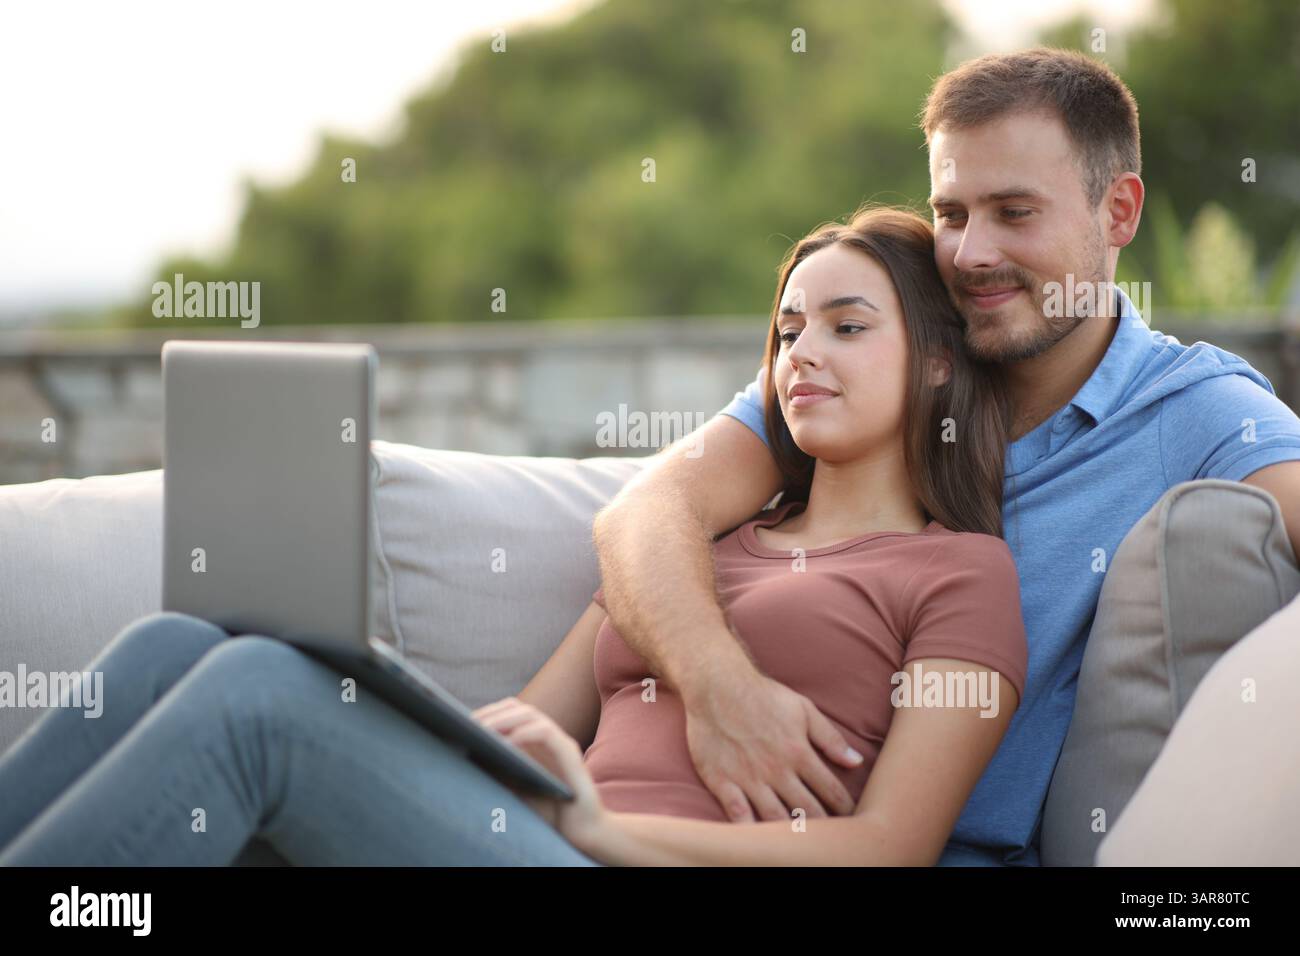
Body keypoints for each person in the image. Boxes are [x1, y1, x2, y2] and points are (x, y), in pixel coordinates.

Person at [0, 206, 1027, 866]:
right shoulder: (702, 545)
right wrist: (386, 714)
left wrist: (595, 825)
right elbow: (528, 720)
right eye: (788, 330)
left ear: (938, 363)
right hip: (527, 831)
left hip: (601, 852)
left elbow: (890, 846)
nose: (802, 352)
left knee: (253, 699)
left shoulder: (961, 573)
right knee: (178, 650)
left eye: (846, 325)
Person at [590, 47, 1300, 866]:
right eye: (952, 213)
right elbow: (646, 514)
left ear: (1119, 212)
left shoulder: (1192, 410)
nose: (970, 254)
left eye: (1014, 212)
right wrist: (723, 692)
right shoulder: (872, 374)